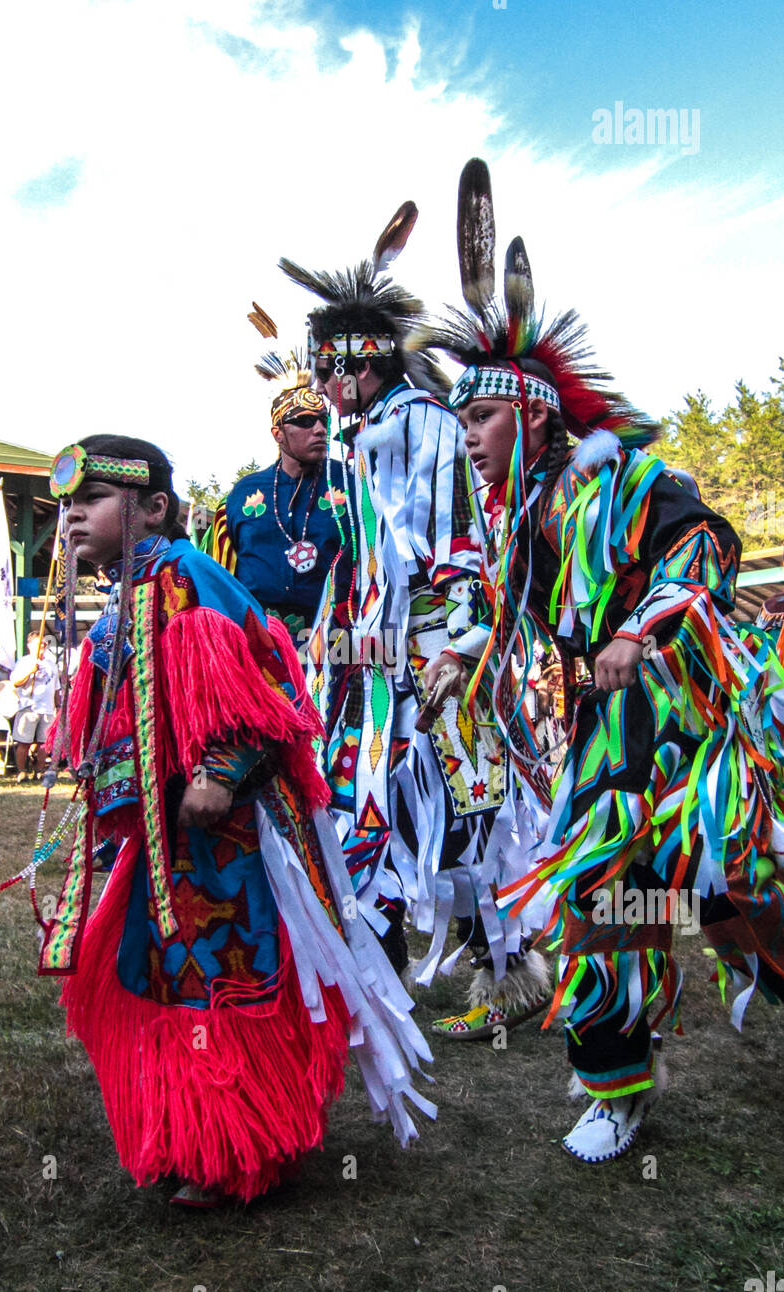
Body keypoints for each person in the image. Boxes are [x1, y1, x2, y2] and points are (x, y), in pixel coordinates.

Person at [420, 157, 784, 1161]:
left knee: (729, 891)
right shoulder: (511, 520)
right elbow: (502, 606)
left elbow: (700, 543)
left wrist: (638, 630)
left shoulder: (619, 478)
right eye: (455, 421)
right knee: (600, 894)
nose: (466, 437)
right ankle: (615, 1088)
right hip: (600, 730)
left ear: (530, 411)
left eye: (478, 416)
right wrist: (462, 653)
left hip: (687, 724)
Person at [7, 433, 432, 1207]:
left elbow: (261, 683)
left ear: (154, 507)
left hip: (227, 835)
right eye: (65, 505)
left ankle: (241, 1146)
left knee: (226, 972)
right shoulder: (124, 595)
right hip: (164, 839)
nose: (71, 518)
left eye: (91, 500)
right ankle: (187, 1135)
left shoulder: (188, 575)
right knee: (164, 976)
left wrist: (218, 771)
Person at [280, 202, 550, 1031]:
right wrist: (338, 626)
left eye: (330, 371)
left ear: (363, 366)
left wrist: (460, 645)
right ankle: (384, 967)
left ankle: (506, 977)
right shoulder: (363, 438)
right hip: (374, 657)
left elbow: (453, 543)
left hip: (430, 651)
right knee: (376, 804)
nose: (321, 390)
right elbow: (365, 557)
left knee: (468, 806)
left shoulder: (419, 423)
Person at [210, 309, 344, 642]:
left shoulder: (348, 484)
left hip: (333, 645)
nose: (318, 429)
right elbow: (219, 581)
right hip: (258, 645)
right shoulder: (243, 494)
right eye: (304, 421)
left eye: (323, 420)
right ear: (277, 433)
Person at [11, 631, 60, 782]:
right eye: (39, 644)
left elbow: (56, 687)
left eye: (44, 644)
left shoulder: (52, 664)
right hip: (29, 706)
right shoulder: (24, 662)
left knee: (44, 743)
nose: (42, 647)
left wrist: (58, 706)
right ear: (30, 646)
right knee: (24, 742)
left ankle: (40, 770)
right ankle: (22, 771)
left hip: (47, 708)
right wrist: (29, 673)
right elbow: (16, 682)